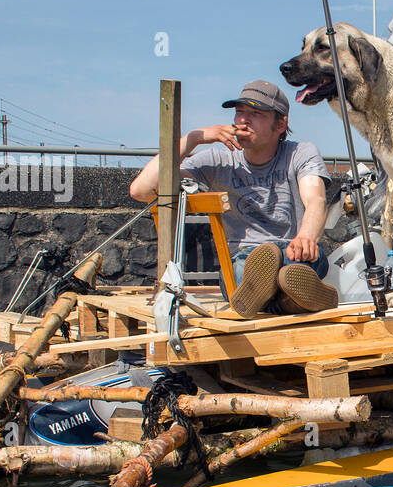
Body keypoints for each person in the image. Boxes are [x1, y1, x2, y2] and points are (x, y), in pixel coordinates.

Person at [129, 80, 337, 316]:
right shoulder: (218, 160)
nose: (242, 121)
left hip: (294, 252)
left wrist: (306, 238)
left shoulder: (300, 153)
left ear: (281, 124)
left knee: (296, 264)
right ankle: (293, 301)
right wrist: (194, 138)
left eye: (255, 114)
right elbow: (141, 190)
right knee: (244, 270)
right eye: (239, 112)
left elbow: (315, 199)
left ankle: (285, 292)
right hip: (245, 261)